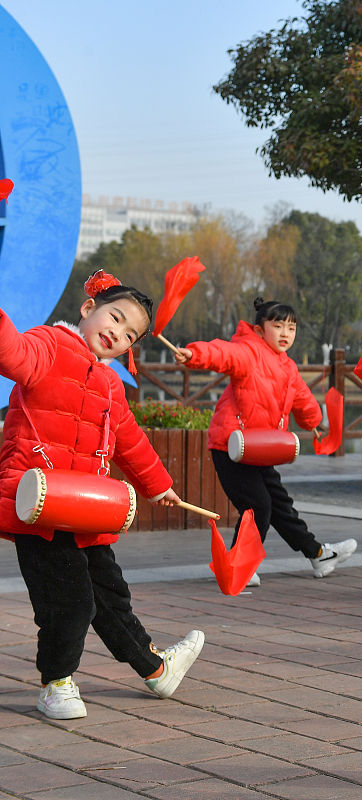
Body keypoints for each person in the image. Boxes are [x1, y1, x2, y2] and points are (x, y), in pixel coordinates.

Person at [0, 270, 204, 720]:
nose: (119, 333)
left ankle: (156, 670)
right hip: (41, 505)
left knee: (111, 597)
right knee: (69, 601)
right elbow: (11, 354)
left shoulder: (112, 385)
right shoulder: (48, 346)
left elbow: (129, 441)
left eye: (130, 333)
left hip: (88, 509)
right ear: (88, 309)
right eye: (116, 317)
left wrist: (160, 486)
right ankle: (56, 683)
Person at [175, 298, 355, 585]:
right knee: (258, 506)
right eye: (278, 325)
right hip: (232, 448)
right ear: (260, 329)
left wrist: (315, 423)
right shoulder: (248, 352)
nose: (285, 333)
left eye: (292, 328)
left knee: (280, 506)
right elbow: (222, 353)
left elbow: (303, 400)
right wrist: (194, 354)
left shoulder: (288, 367)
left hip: (261, 450)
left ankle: (318, 553)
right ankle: (238, 566)